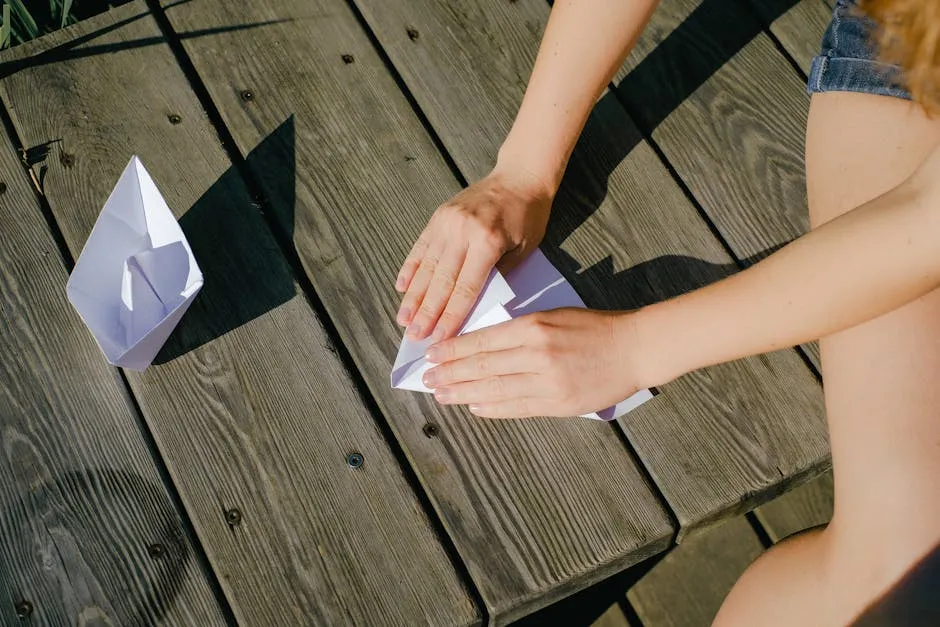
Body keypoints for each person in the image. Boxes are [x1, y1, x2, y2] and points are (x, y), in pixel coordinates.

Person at [395, 0, 940, 623]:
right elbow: (925, 219)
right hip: (911, 52)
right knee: (902, 564)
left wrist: (632, 350)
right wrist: (523, 173)